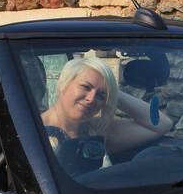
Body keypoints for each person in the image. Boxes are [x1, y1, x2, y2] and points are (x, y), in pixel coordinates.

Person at [39, 55, 174, 174]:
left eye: (101, 95)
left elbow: (161, 124)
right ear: (64, 83)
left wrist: (113, 91)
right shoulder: (33, 129)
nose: (91, 99)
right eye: (86, 87)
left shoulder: (98, 130)